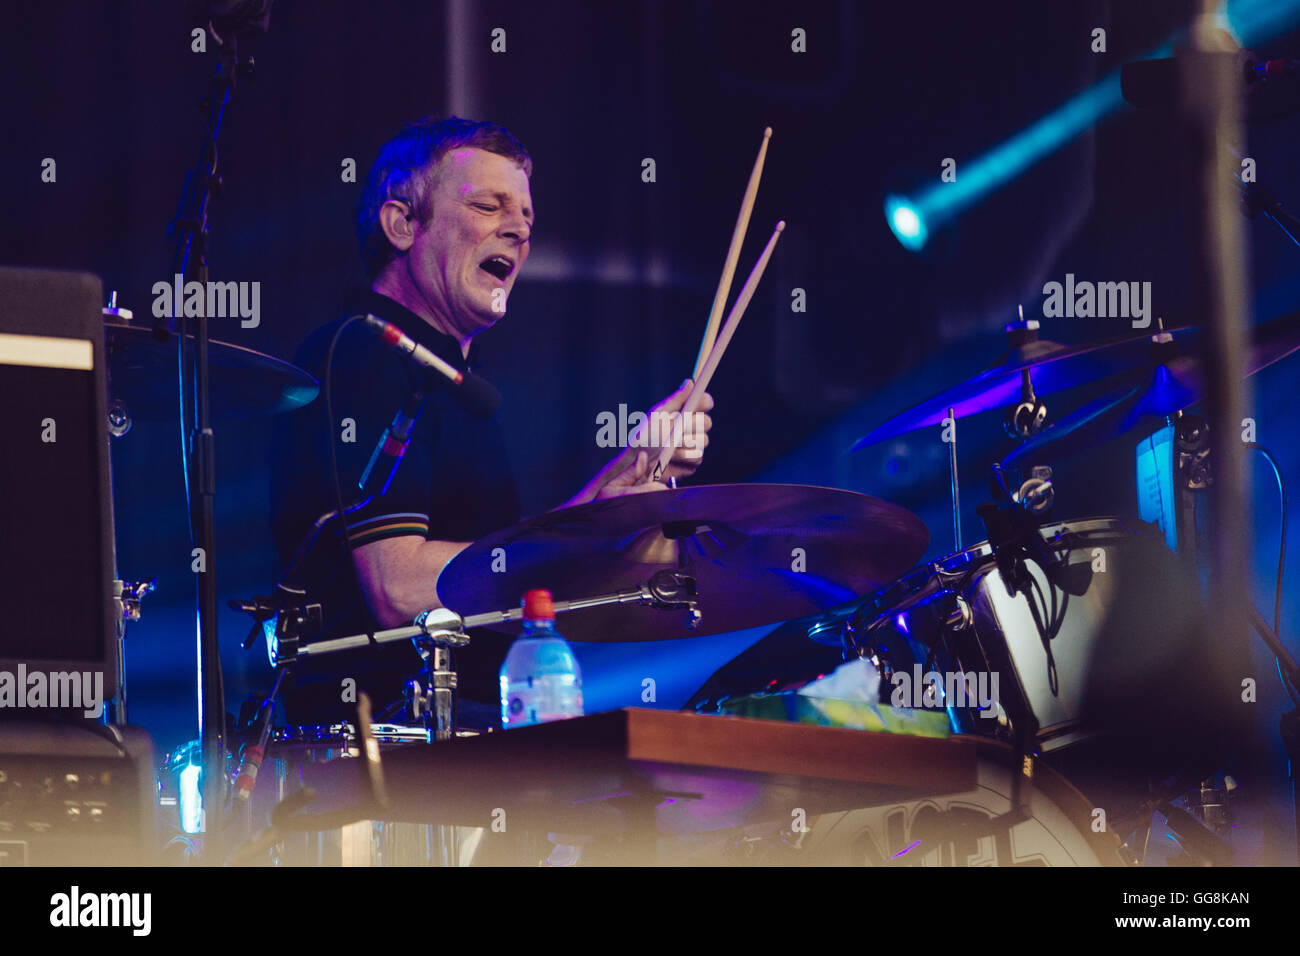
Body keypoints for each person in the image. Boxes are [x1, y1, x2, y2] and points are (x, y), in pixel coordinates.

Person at [271, 115, 713, 724]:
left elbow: (507, 567)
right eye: (488, 205)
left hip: (462, 731)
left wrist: (625, 479)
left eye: (527, 216)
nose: (519, 230)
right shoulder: (364, 351)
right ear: (402, 225)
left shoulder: (449, 379)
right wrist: (581, 537)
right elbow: (397, 586)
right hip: (385, 746)